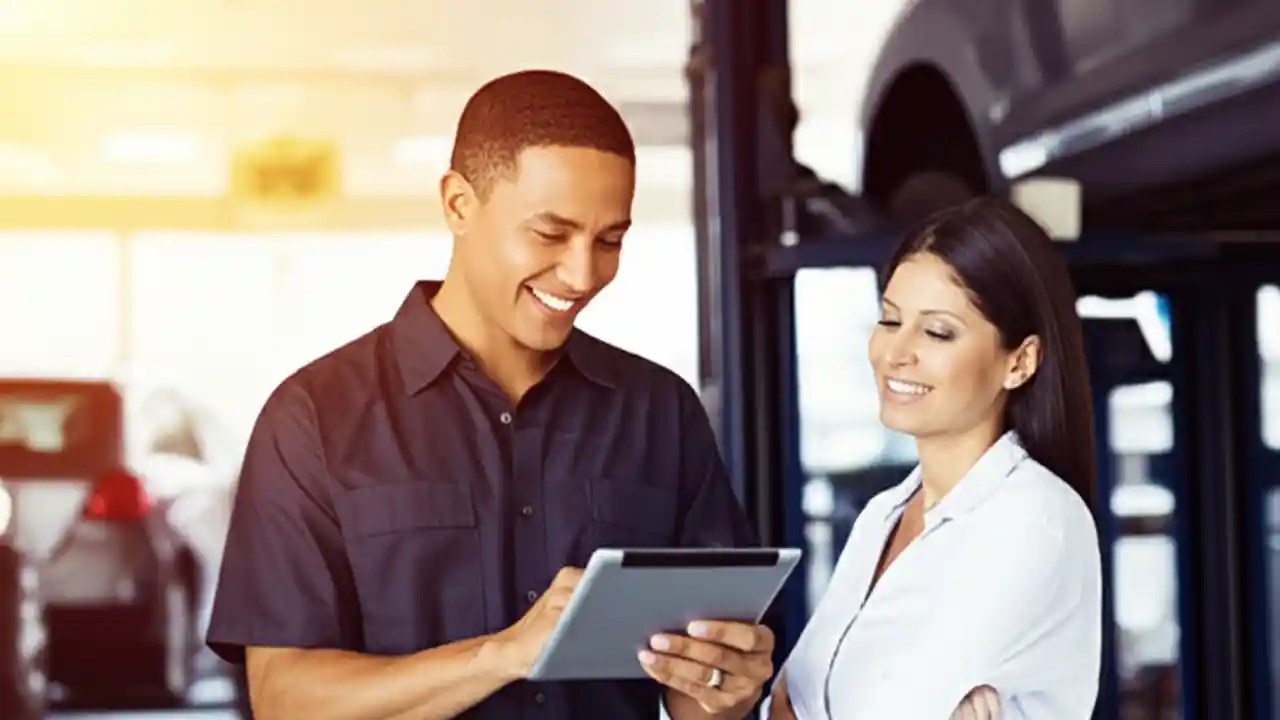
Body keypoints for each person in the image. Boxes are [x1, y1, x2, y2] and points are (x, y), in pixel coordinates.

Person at [207, 69, 776, 720]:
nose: (583, 273)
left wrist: (726, 690)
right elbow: (285, 700)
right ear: (458, 204)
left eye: (610, 240)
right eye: (550, 233)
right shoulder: (313, 418)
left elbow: (696, 696)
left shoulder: (660, 414)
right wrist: (504, 654)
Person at [767, 197, 1103, 719]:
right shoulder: (883, 515)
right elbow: (786, 700)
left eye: (937, 331)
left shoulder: (1033, 520)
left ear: (1020, 361)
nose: (895, 353)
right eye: (889, 319)